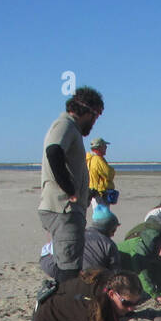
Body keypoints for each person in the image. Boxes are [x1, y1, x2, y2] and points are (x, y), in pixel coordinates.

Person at [39, 86, 104, 284]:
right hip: (64, 210)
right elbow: (54, 152)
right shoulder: (65, 124)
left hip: (67, 210)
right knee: (69, 271)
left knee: (68, 268)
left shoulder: (70, 128)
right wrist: (69, 189)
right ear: (87, 110)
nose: (94, 123)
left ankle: (59, 308)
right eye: (95, 116)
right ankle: (62, 311)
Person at [40, 204, 121, 278]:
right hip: (87, 276)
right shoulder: (109, 244)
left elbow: (48, 250)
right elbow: (115, 272)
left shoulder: (76, 233)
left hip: (60, 269)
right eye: (113, 231)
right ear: (107, 228)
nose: (113, 235)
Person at [117, 219, 161, 306]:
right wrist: (156, 295)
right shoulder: (141, 249)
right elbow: (143, 275)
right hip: (117, 264)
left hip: (133, 264)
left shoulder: (157, 248)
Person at [87, 137, 116, 206]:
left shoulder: (91, 158)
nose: (106, 148)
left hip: (95, 191)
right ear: (99, 147)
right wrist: (111, 169)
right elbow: (109, 174)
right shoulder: (97, 159)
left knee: (99, 213)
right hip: (100, 193)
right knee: (102, 214)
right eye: (104, 146)